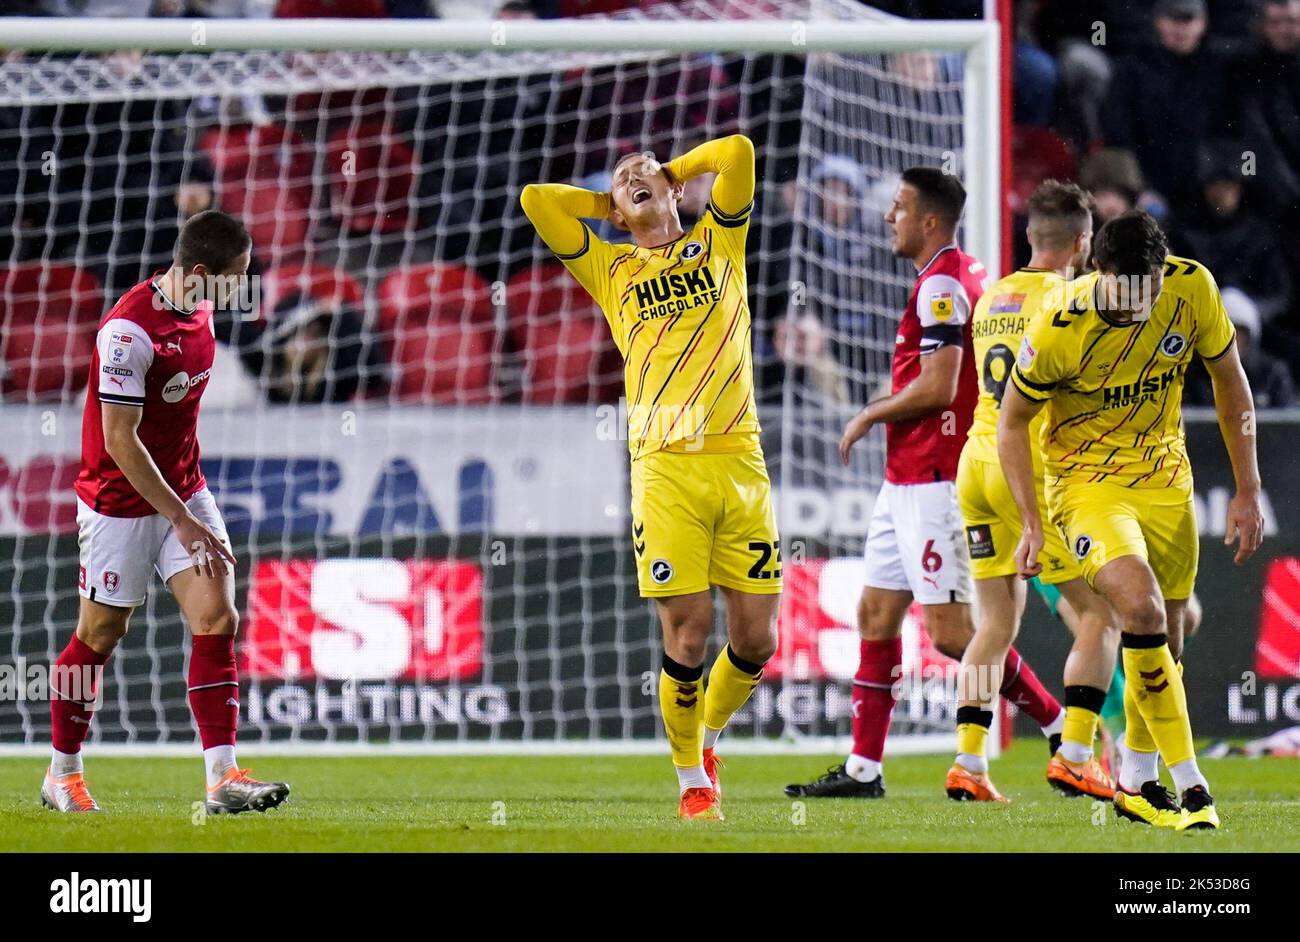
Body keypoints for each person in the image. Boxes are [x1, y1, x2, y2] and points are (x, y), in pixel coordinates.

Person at [784, 168, 1064, 800]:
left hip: (937, 475)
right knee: (875, 612)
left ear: (929, 220)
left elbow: (939, 385)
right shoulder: (964, 273)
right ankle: (863, 770)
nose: (889, 216)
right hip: (906, 475)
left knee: (951, 634)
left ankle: (1057, 726)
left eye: (900, 206)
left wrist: (867, 412)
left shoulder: (942, 283)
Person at [522, 135, 779, 821]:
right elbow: (535, 200)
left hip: (740, 460)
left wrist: (675, 171)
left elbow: (741, 152)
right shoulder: (611, 268)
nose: (634, 174)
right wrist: (608, 203)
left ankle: (710, 738)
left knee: (757, 640)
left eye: (646, 170)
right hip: (665, 464)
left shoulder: (718, 242)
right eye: (621, 175)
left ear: (673, 192)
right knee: (689, 632)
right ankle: (692, 780)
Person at [999, 210, 1264, 830]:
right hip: (1087, 484)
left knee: (1169, 639)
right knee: (1137, 608)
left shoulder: (1191, 288)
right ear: (1098, 270)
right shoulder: (1061, 322)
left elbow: (1231, 385)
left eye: (1146, 294)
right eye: (1124, 294)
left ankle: (1138, 776)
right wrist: (1034, 523)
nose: (1137, 310)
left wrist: (1248, 488)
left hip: (1167, 483)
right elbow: (1013, 422)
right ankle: (1192, 784)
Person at [42, 210, 290, 816]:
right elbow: (121, 441)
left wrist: (186, 506)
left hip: (184, 489)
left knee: (218, 616)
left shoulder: (200, 309)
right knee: (99, 636)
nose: (243, 287)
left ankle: (223, 779)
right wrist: (181, 518)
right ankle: (61, 774)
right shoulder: (128, 333)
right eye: (237, 277)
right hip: (119, 504)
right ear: (202, 272)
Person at [949, 181, 1119, 802]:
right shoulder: (1077, 297)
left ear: (1029, 236)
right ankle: (1076, 752)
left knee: (994, 623)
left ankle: (968, 762)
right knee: (1103, 613)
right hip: (1033, 473)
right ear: (1083, 242)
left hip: (976, 464)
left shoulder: (992, 295)